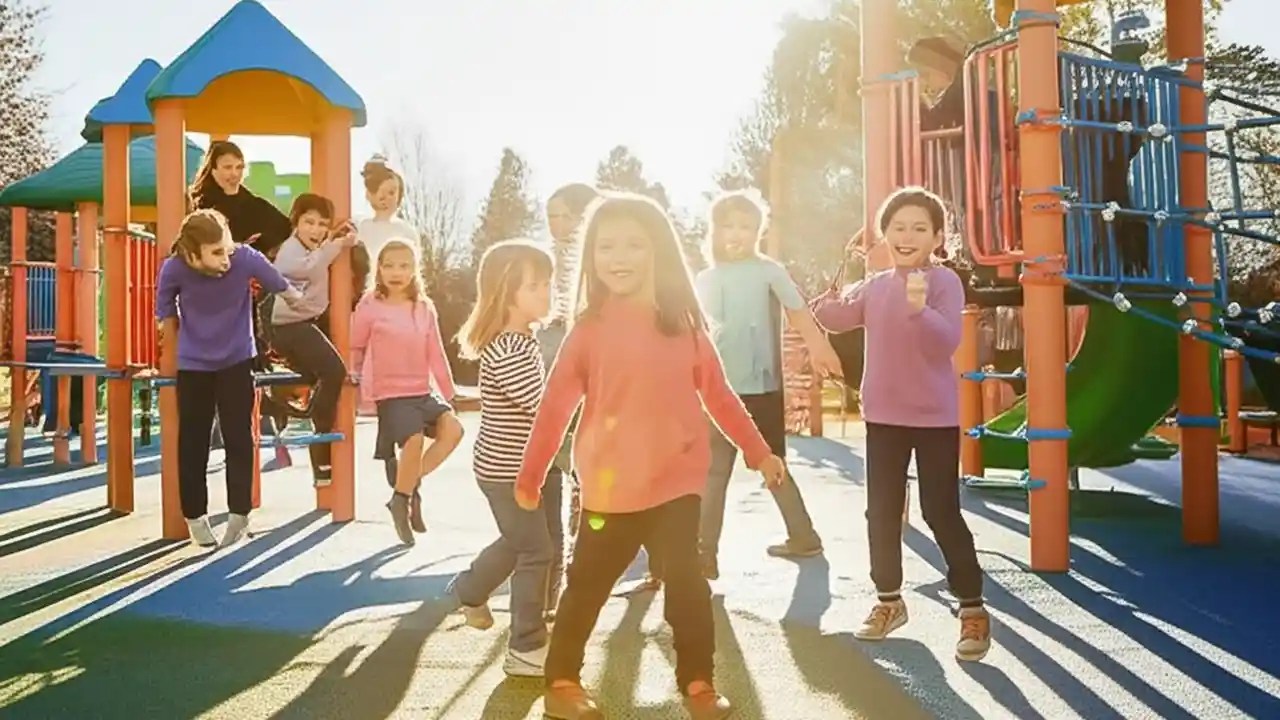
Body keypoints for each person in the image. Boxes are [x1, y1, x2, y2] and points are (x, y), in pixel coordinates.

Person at [514, 192, 787, 720]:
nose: (619, 257)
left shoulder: (683, 327)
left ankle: (699, 684)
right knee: (586, 587)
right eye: (607, 246)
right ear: (590, 257)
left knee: (686, 579)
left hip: (676, 485)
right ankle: (563, 683)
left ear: (659, 251)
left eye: (635, 245)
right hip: (608, 491)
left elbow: (721, 396)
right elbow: (554, 408)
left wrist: (758, 451)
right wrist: (531, 474)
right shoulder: (588, 330)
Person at [812, 187, 991, 662]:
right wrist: (823, 303)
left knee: (940, 512)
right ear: (883, 233)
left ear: (937, 236)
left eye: (919, 228)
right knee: (882, 513)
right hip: (883, 417)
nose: (907, 236)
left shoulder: (944, 282)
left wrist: (919, 310)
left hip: (934, 419)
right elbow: (838, 317)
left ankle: (971, 606)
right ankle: (888, 601)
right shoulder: (873, 285)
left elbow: (944, 342)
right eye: (898, 227)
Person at [694, 188, 839, 580]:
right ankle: (704, 554)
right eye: (729, 226)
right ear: (715, 231)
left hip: (760, 388)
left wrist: (819, 346)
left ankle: (803, 535)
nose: (737, 233)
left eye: (746, 226)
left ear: (758, 231)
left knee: (772, 465)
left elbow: (798, 311)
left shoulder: (768, 271)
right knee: (713, 471)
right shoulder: (705, 278)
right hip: (714, 392)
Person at [155, 209, 303, 548]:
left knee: (239, 437)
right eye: (217, 252)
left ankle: (239, 514)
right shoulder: (175, 267)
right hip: (194, 363)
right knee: (193, 440)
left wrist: (298, 299)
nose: (226, 257)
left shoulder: (244, 258)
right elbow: (164, 308)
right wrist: (167, 337)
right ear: (193, 254)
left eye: (227, 248)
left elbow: (280, 284)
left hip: (236, 360)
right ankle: (195, 515)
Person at [448, 239, 556, 678]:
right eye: (536, 286)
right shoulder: (508, 348)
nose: (547, 293)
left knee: (519, 543)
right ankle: (526, 648)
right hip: (506, 471)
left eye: (547, 283)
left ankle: (470, 589)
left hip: (523, 468)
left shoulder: (523, 340)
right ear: (507, 291)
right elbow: (545, 407)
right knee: (536, 550)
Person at [350, 239, 464, 546]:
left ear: (415, 270)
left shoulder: (423, 308)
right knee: (412, 441)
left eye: (404, 265)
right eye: (388, 265)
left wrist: (450, 392)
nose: (396, 272)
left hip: (421, 390)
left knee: (453, 430)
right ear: (379, 270)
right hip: (391, 393)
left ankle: (404, 490)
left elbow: (436, 352)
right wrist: (355, 380)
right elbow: (356, 346)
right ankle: (403, 498)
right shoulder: (370, 305)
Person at [188, 140, 295, 449]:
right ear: (213, 169)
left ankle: (263, 412)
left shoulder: (252, 203)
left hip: (239, 288)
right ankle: (217, 420)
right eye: (227, 168)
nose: (234, 174)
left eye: (239, 167)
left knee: (248, 347)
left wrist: (256, 254)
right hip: (207, 286)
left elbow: (283, 228)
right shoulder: (202, 202)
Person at [269, 193, 360, 486]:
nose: (316, 230)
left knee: (318, 379)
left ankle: (320, 464)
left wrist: (335, 241)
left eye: (322, 224)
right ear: (295, 222)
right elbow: (306, 268)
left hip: (299, 325)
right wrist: (337, 244)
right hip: (288, 327)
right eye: (309, 222)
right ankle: (310, 431)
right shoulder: (289, 250)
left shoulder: (312, 248)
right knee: (334, 371)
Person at [539, 182, 598, 615]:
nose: (555, 223)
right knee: (552, 471)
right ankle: (551, 583)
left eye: (563, 215)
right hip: (548, 361)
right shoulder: (546, 260)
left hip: (583, 359)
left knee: (587, 461)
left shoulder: (596, 260)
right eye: (551, 215)